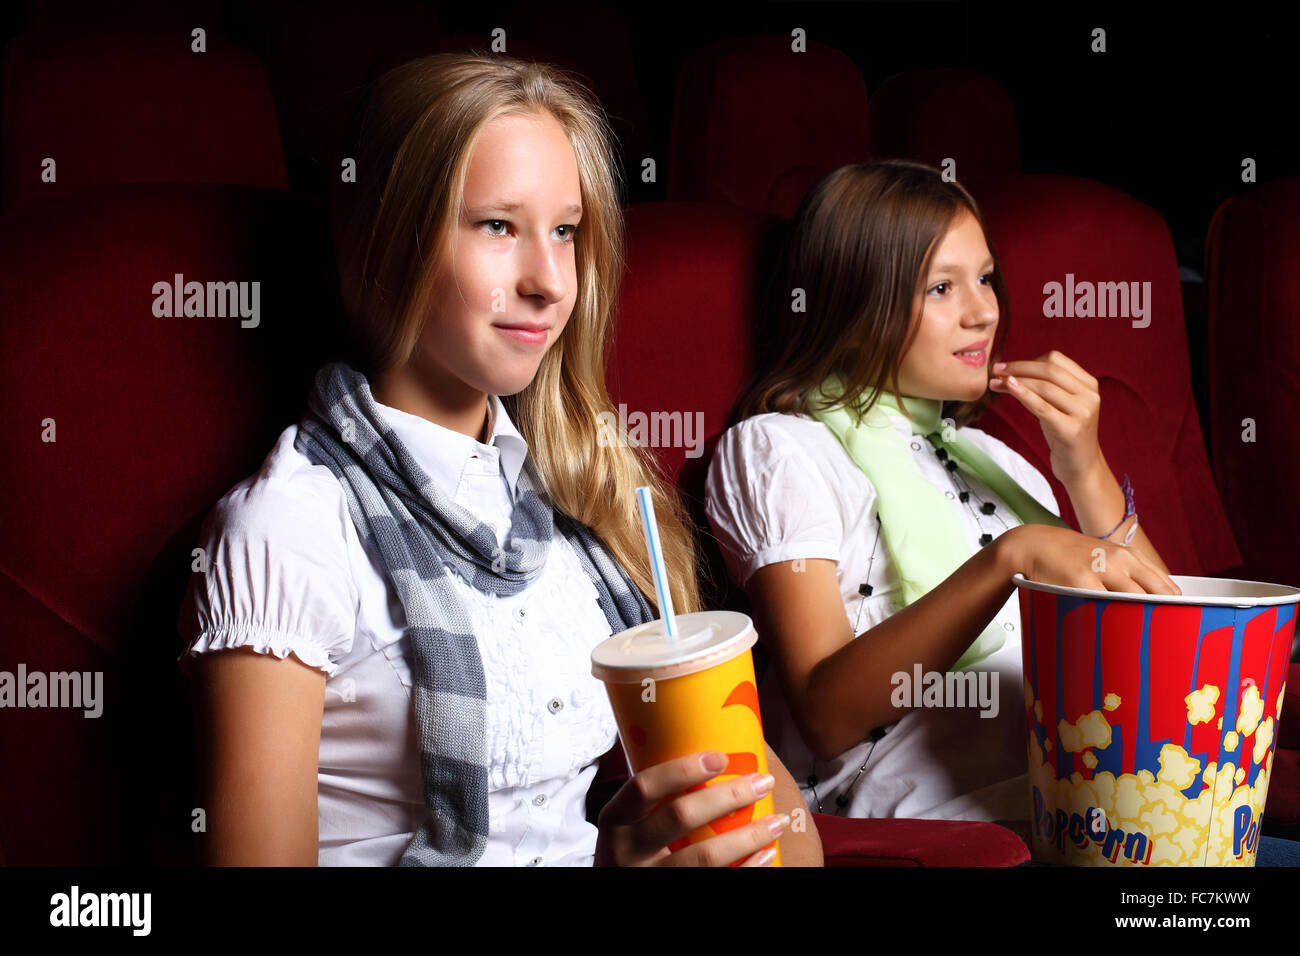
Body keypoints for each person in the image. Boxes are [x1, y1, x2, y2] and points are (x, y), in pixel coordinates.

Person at [176, 52, 821, 867]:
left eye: (566, 232)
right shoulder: (287, 529)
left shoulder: (580, 499)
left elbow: (776, 825)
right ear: (390, 241)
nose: (550, 282)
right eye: (496, 226)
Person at [704, 159, 1183, 831]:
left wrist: (1086, 468)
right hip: (940, 830)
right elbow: (825, 714)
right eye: (941, 288)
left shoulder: (1002, 464)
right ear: (857, 301)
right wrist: (1009, 560)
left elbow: (1178, 660)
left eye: (985, 278)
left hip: (1091, 805)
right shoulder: (781, 450)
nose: (984, 311)